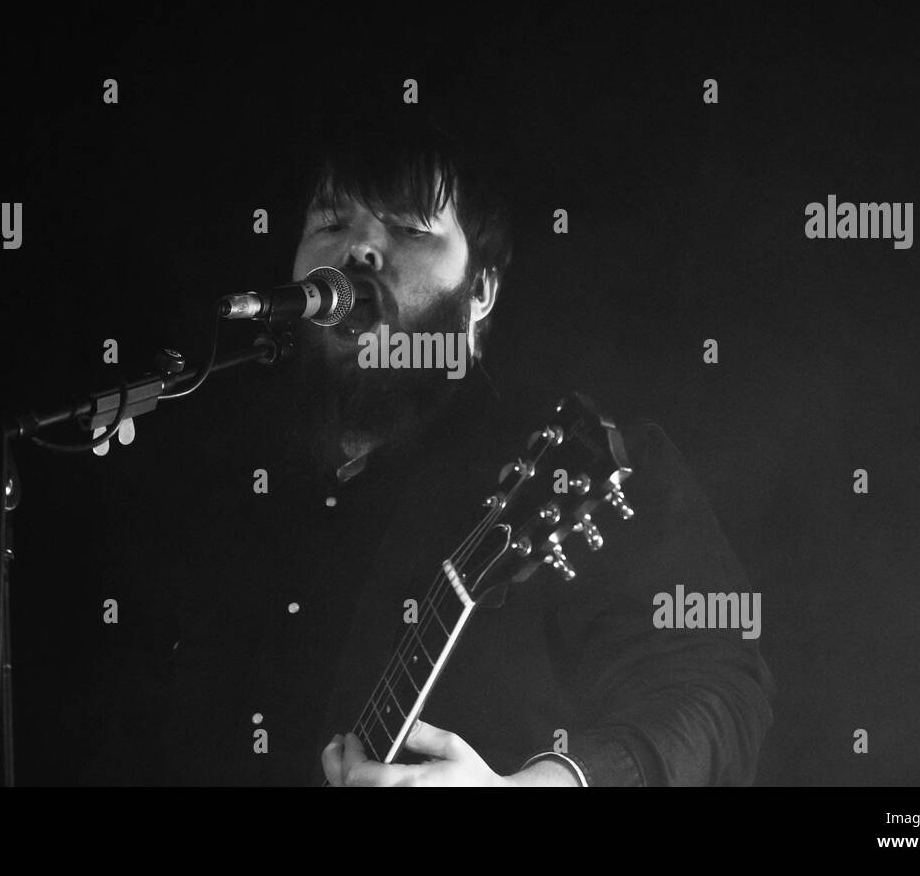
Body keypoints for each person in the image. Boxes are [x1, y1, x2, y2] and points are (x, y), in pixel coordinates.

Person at [232, 108, 775, 786]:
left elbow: (715, 693)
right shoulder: (231, 487)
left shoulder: (570, 466)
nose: (360, 250)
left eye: (406, 227)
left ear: (481, 291)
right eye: (332, 224)